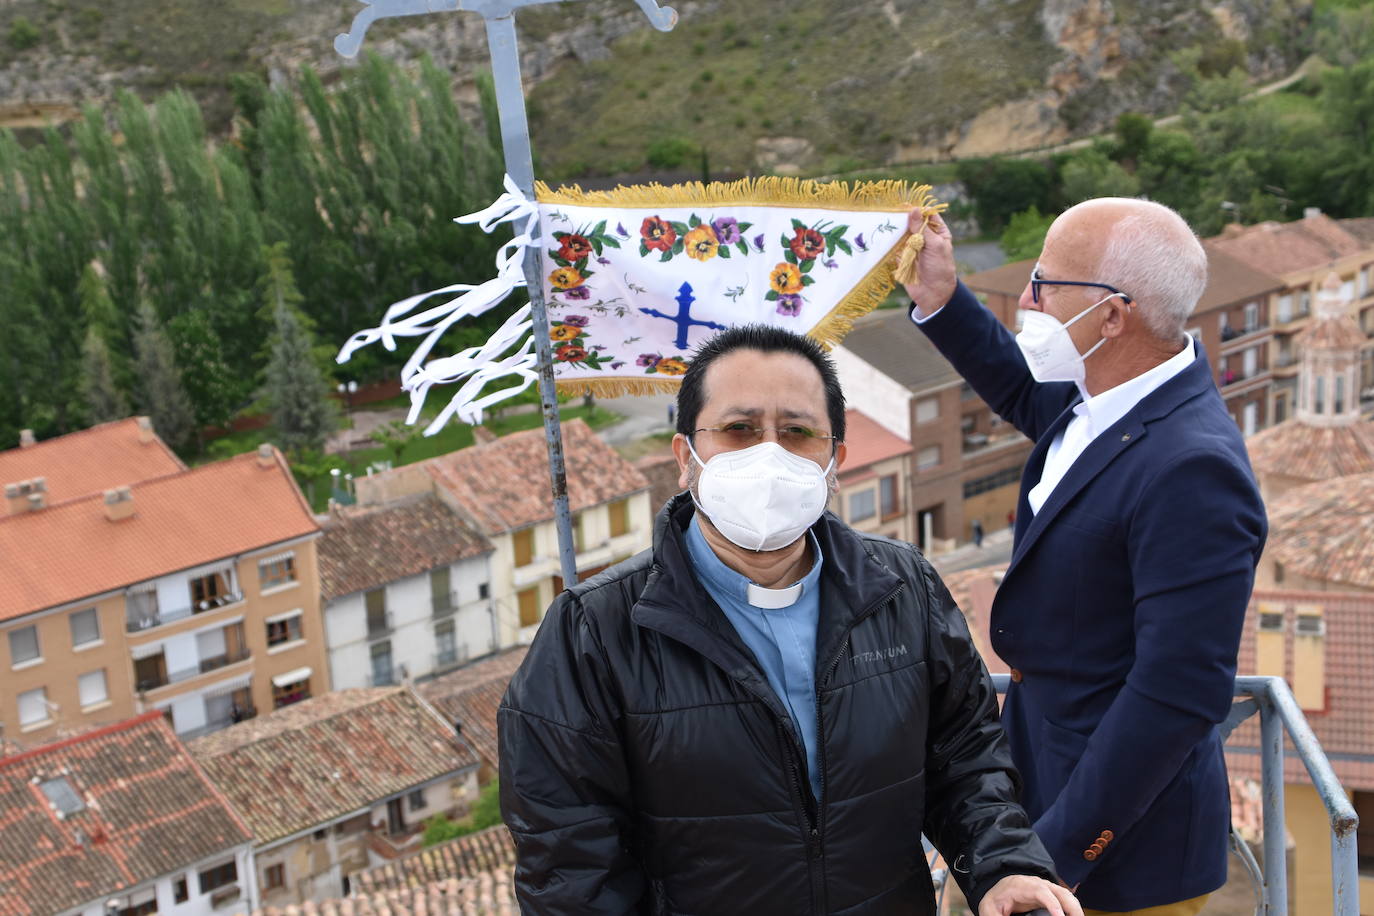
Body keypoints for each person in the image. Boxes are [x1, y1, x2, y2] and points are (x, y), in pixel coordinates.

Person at [499, 325, 1082, 916]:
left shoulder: (903, 588)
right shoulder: (593, 633)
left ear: (834, 462)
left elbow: (965, 755)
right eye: (739, 429)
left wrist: (1003, 866)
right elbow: (570, 865)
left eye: (798, 433)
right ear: (686, 457)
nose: (768, 454)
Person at [902, 198, 1267, 916]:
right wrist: (942, 299)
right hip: (1036, 795)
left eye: (1045, 283)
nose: (1028, 300)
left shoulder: (1194, 468)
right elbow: (1016, 387)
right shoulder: (1105, 399)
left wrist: (1054, 861)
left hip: (1118, 860)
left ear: (1111, 316)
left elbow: (1178, 693)